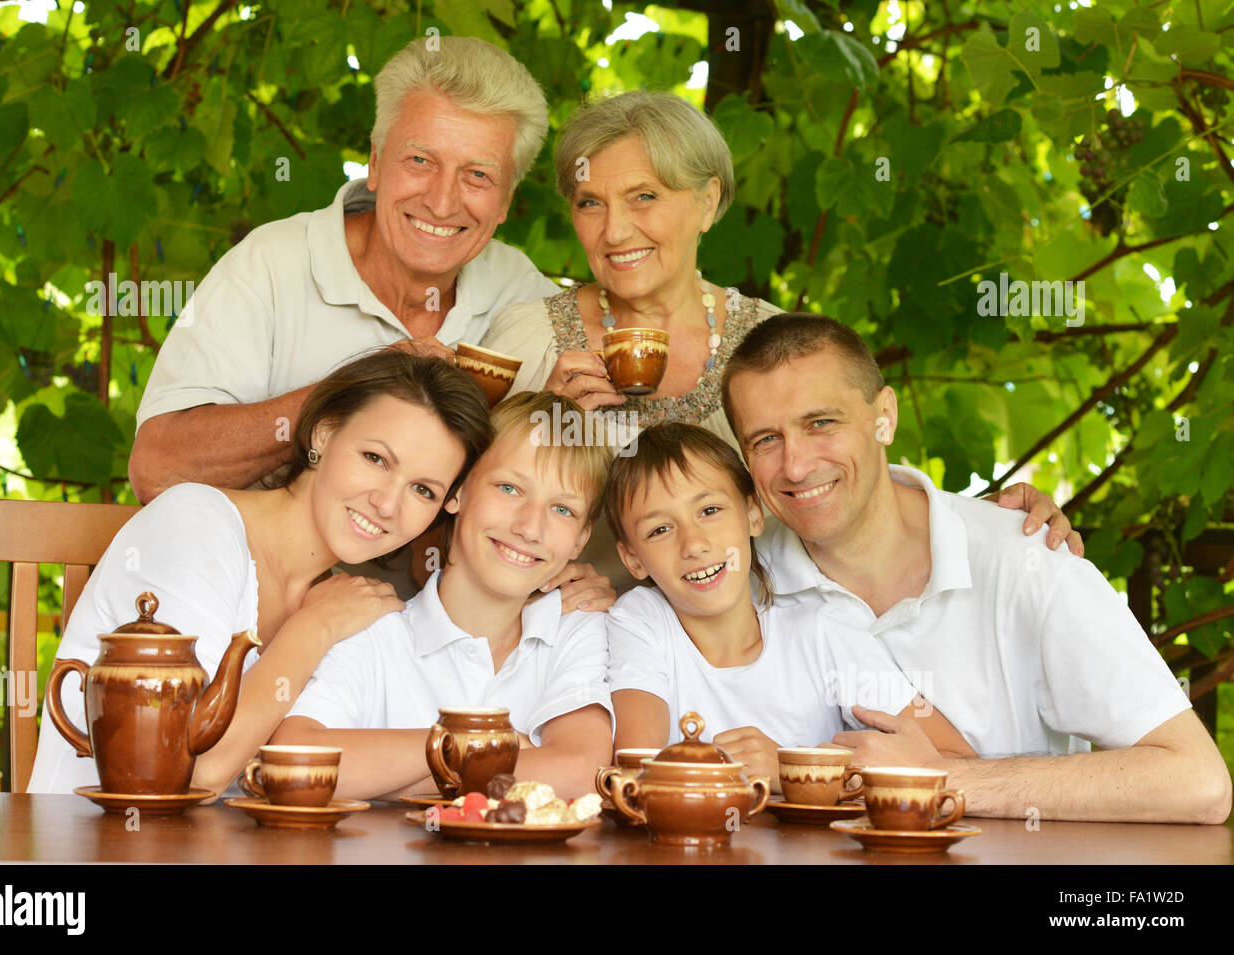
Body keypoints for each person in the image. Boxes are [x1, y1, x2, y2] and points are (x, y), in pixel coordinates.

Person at [482, 90, 1080, 589]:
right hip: (567, 646)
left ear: (708, 202)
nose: (615, 229)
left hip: (757, 660)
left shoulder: (776, 343)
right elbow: (451, 515)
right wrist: (541, 424)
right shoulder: (529, 338)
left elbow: (850, 488)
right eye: (591, 203)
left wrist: (994, 526)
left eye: (645, 197)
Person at [720, 312, 1233, 824]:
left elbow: (1199, 782)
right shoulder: (728, 580)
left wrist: (940, 780)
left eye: (821, 423)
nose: (795, 465)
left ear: (885, 417)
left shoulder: (1025, 556)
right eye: (766, 440)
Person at [29, 352, 491, 796]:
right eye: (375, 459)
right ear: (324, 435)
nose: (388, 504)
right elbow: (187, 775)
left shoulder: (342, 595)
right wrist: (312, 629)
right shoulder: (194, 526)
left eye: (423, 490)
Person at [129, 36, 556, 503]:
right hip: (266, 575)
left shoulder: (523, 293)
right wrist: (356, 393)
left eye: (478, 175)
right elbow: (158, 470)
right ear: (375, 162)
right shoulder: (274, 263)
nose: (440, 201)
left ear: (506, 202)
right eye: (419, 160)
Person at [273, 392, 614, 799]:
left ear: (580, 542)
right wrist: (473, 743)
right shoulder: (371, 628)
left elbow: (580, 775)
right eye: (509, 488)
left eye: (563, 510)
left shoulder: (577, 625)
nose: (530, 527)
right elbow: (296, 763)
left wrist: (386, 777)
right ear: (457, 492)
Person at [602, 421, 976, 791]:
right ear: (633, 559)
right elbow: (637, 773)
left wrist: (791, 771)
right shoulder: (641, 621)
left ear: (752, 513)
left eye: (710, 510)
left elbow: (955, 762)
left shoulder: (821, 627)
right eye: (660, 530)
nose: (693, 544)